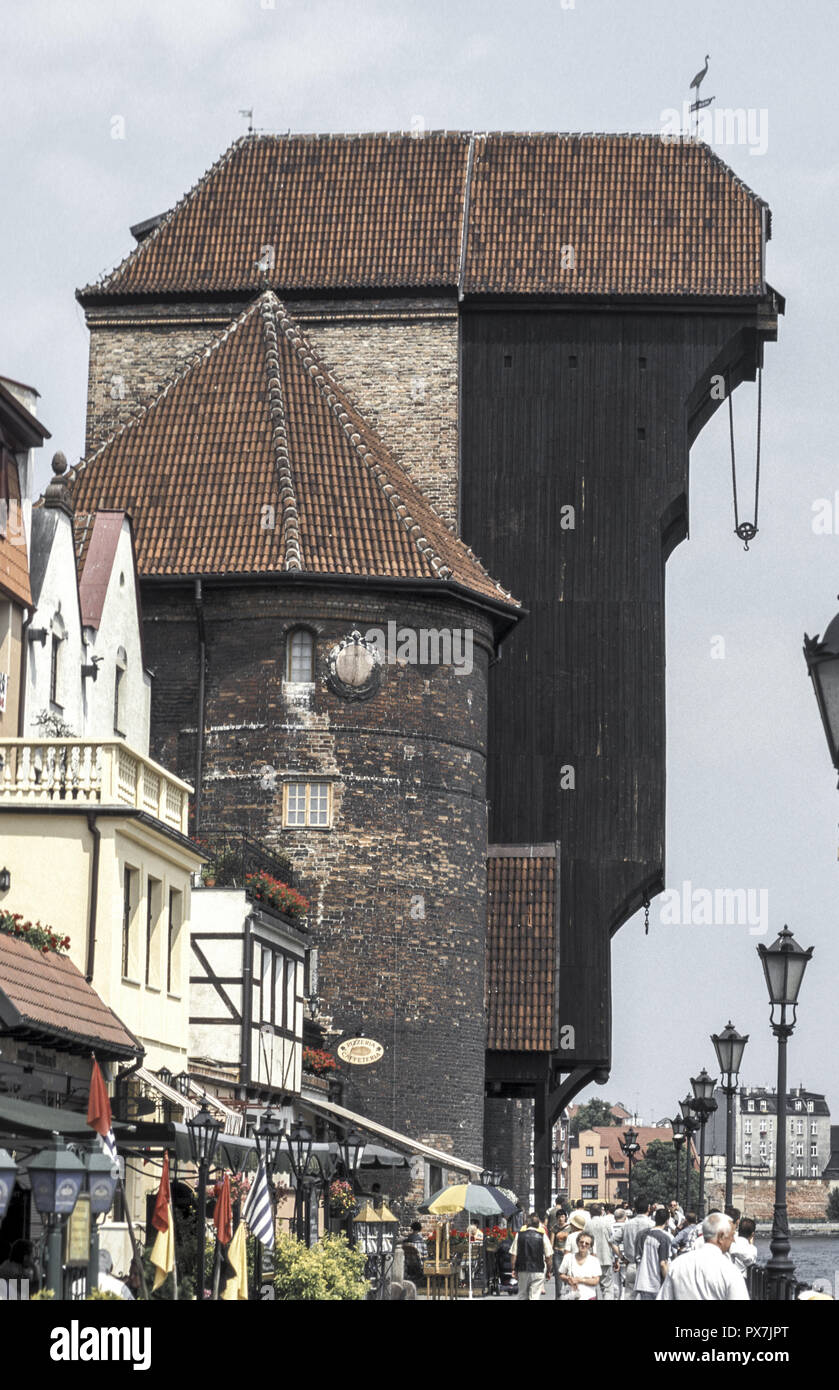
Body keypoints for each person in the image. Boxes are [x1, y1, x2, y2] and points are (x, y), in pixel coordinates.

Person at [657, 1213, 749, 1301]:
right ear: (721, 1237)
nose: (733, 1240)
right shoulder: (730, 1271)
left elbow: (664, 1296)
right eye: (732, 1235)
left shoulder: (678, 1264)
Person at [510, 1212, 553, 1300]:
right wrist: (549, 1270)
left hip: (522, 1269)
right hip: (538, 1269)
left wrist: (513, 1269)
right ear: (538, 1225)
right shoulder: (542, 1236)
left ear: (527, 1224)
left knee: (522, 1295)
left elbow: (514, 1254)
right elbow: (548, 1256)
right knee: (534, 1296)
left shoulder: (519, 1235)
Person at [634, 1206, 672, 1300]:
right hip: (656, 1283)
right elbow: (663, 1263)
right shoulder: (664, 1238)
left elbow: (638, 1257)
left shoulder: (642, 1234)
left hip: (642, 1281)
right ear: (667, 1221)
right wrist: (669, 1281)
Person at [619, 1198, 653, 1299]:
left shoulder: (627, 1224)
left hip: (631, 1264)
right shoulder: (652, 1224)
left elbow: (612, 1241)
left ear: (635, 1209)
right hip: (647, 1265)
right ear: (648, 1208)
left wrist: (622, 1257)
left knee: (630, 1294)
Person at [587, 1203, 618, 1301]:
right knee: (607, 1288)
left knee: (592, 1287)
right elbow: (612, 1241)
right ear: (601, 1212)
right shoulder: (606, 1223)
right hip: (606, 1258)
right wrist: (616, 1258)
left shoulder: (587, 1224)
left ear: (590, 1213)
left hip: (591, 1259)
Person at [558, 1232, 601, 1301]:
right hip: (571, 1296)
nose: (583, 1244)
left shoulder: (594, 1261)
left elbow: (596, 1280)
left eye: (587, 1243)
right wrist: (568, 1279)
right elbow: (561, 1274)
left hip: (589, 1296)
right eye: (581, 1242)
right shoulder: (568, 1258)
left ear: (590, 1246)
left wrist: (580, 1280)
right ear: (577, 1243)